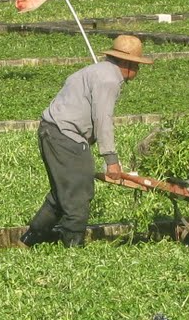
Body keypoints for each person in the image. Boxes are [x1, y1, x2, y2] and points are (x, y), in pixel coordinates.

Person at [21, 34, 154, 248]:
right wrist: (111, 159)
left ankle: (30, 239)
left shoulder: (96, 71)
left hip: (51, 131)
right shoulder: (109, 80)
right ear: (128, 64)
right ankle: (73, 247)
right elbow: (103, 119)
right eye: (137, 65)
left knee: (63, 191)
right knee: (80, 191)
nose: (138, 71)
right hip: (65, 135)